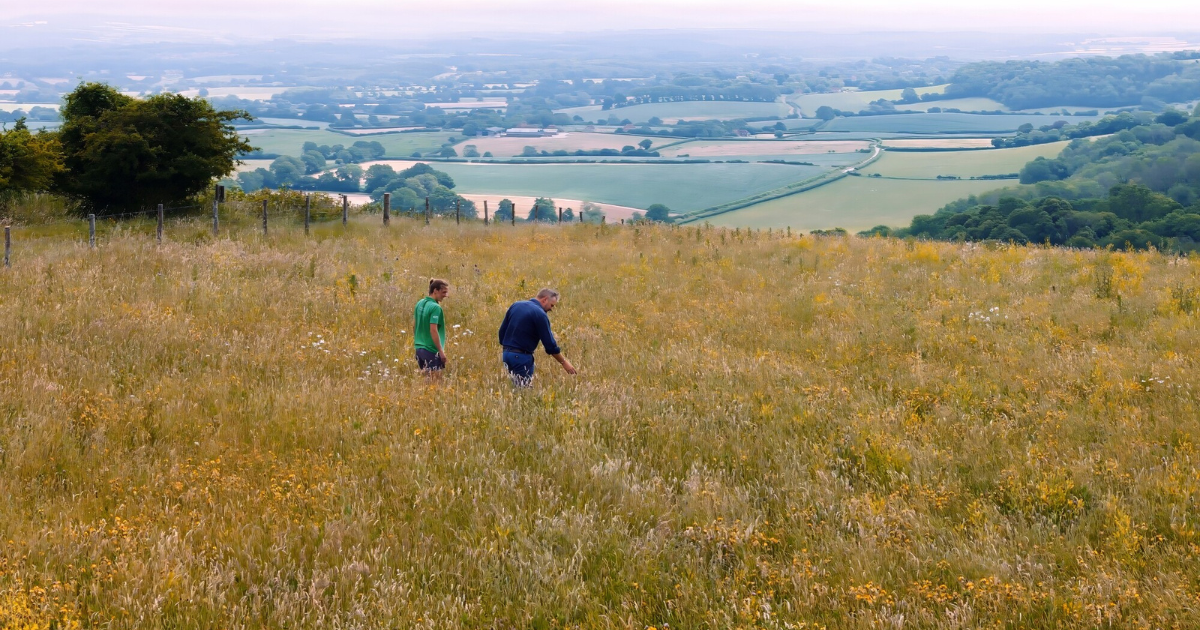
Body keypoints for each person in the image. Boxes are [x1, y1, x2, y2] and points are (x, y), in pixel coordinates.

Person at [498, 288, 577, 386]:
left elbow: (502, 333)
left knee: (516, 388)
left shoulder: (516, 305)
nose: (551, 309)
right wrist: (564, 362)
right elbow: (550, 346)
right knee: (523, 392)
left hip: (506, 355)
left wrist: (509, 348)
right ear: (544, 300)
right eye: (551, 305)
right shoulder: (540, 314)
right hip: (522, 357)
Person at [414, 278, 449, 379]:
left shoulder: (419, 303)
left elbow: (415, 326)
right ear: (435, 291)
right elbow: (433, 330)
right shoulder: (435, 308)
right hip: (430, 350)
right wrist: (441, 352)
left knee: (426, 380)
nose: (446, 295)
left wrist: (417, 344)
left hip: (419, 348)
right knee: (435, 382)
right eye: (443, 292)